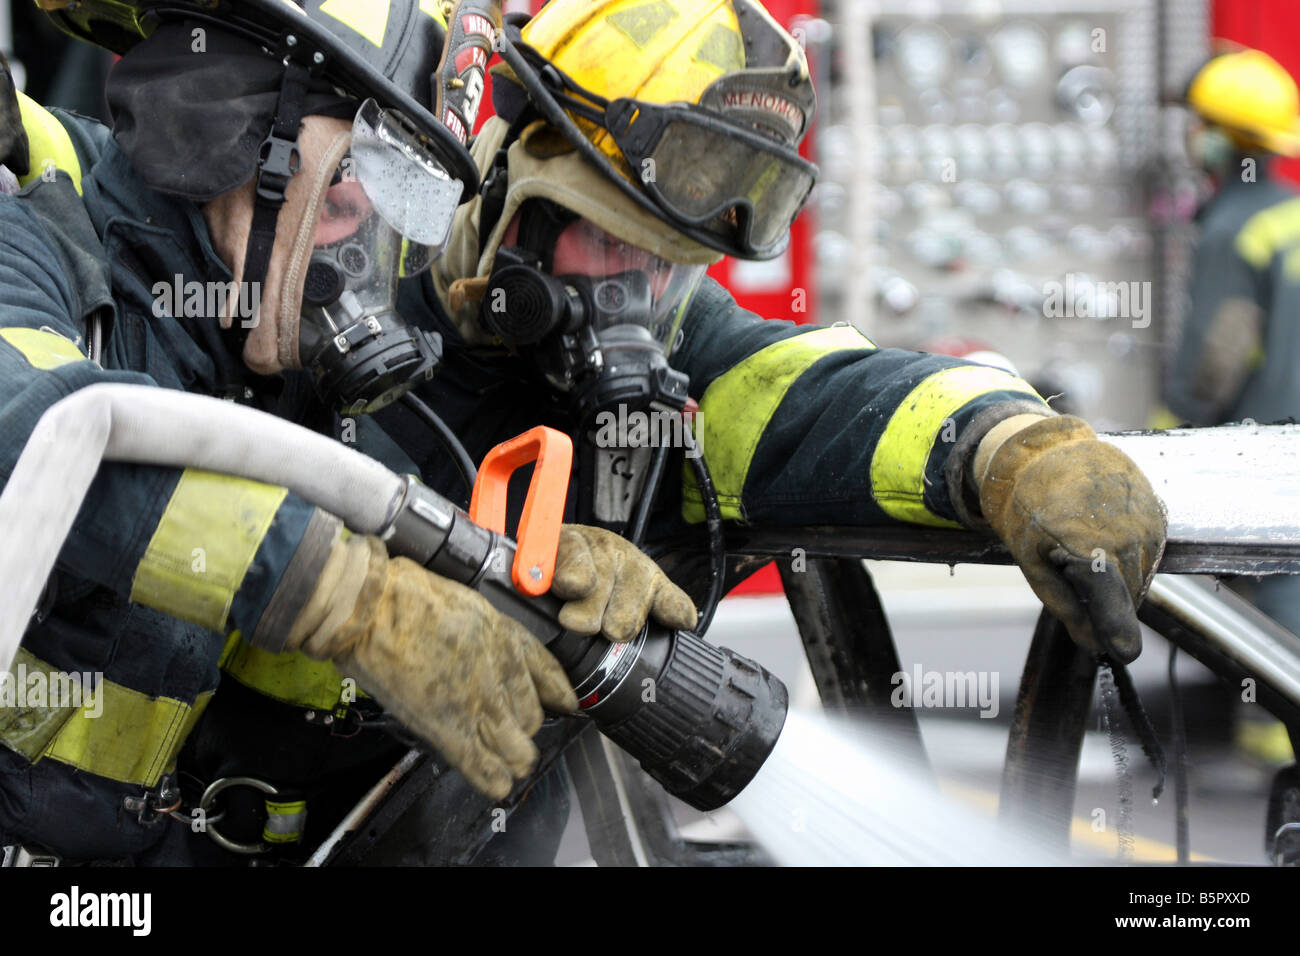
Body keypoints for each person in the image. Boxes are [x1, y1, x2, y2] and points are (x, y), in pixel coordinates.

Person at [0, 0, 695, 865]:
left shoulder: (266, 366)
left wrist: (516, 595)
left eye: (402, 186)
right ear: (221, 128)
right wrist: (350, 600)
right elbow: (43, 442)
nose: (370, 217)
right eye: (353, 170)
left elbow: (293, 645)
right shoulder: (27, 252)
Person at [378, 0, 1167, 675]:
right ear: (516, 202)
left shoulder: (684, 356)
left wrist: (1007, 447)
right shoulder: (352, 306)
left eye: (667, 265)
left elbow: (834, 394)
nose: (639, 298)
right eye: (614, 247)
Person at [1165, 46, 1300, 636]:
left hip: (1262, 459)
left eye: (1200, 123)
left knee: (1271, 622)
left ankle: (1269, 727)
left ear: (1224, 136)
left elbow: (1216, 362)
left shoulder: (1231, 230)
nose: (1193, 135)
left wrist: (1172, 439)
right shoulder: (1291, 214)